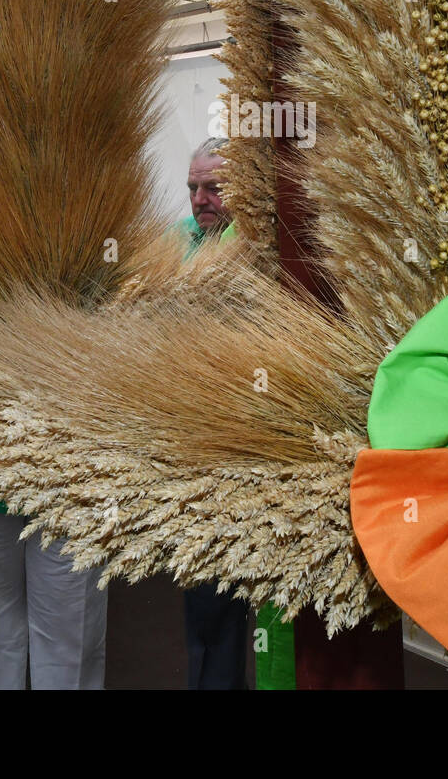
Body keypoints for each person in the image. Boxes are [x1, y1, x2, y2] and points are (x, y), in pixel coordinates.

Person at [175, 137, 250, 689]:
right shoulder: (172, 247)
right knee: (208, 597)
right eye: (194, 188)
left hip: (252, 441)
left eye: (214, 187)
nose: (201, 199)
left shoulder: (263, 250)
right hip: (193, 447)